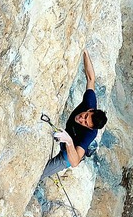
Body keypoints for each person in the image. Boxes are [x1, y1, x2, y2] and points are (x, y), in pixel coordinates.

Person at [41, 49, 107, 179]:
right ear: (90, 110)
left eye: (85, 123)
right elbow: (91, 78)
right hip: (68, 134)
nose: (81, 119)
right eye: (85, 116)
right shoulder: (89, 102)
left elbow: (75, 162)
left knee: (38, 174)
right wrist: (85, 52)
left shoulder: (90, 133)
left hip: (69, 153)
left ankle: (87, 148)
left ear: (89, 127)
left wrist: (69, 142)